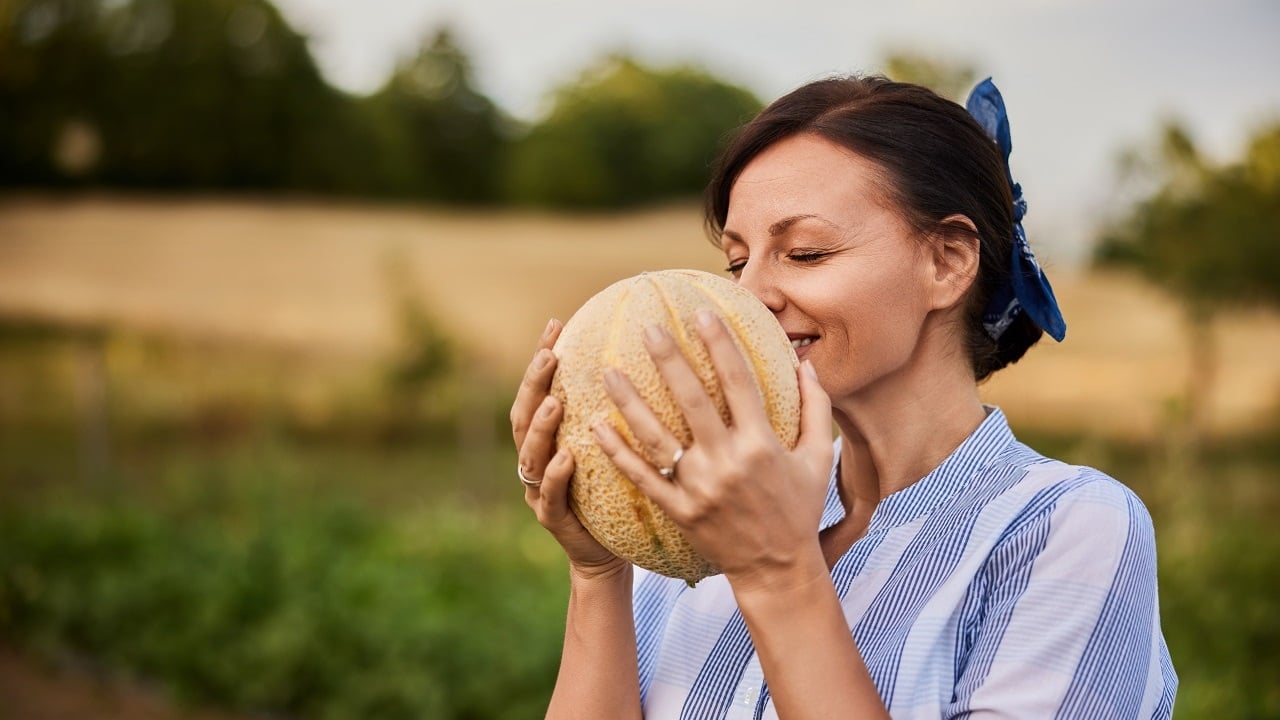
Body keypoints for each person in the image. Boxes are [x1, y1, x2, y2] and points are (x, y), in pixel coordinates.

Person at [510, 75, 1177, 719]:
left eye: (804, 253)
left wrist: (777, 573)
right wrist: (599, 572)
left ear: (946, 262)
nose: (751, 297)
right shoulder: (704, 513)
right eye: (738, 262)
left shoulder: (1070, 528)